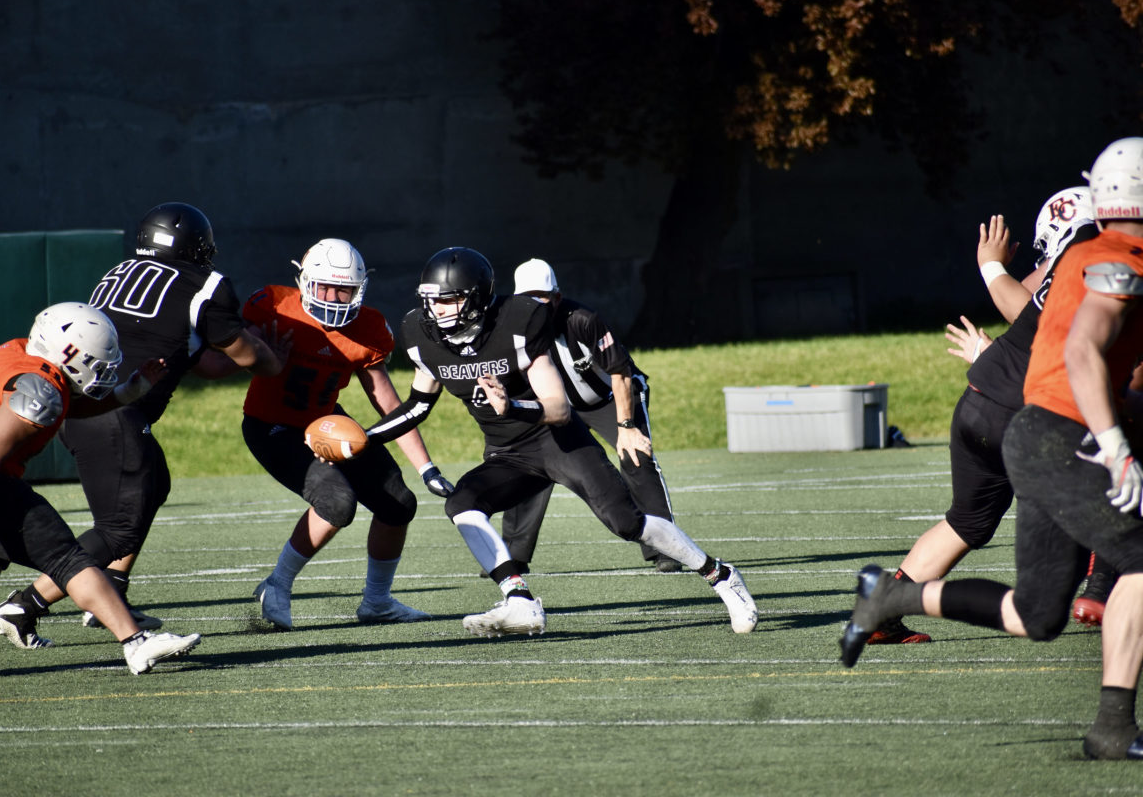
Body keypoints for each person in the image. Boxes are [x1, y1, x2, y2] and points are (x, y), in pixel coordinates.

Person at [839, 137, 1143, 761]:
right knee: (1139, 559)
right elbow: (1082, 349)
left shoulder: (1082, 253)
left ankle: (889, 596)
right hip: (1063, 437)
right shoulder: (1119, 261)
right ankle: (1113, 728)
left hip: (1037, 434)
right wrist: (1113, 444)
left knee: (1035, 615)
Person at [364, 247, 758, 637]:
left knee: (626, 523)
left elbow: (558, 409)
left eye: (450, 299)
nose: (439, 310)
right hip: (508, 454)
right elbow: (417, 405)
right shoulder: (421, 335)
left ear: (478, 297)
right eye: (433, 300)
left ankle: (721, 576)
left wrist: (512, 405)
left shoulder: (517, 322)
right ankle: (519, 600)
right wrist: (365, 440)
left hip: (557, 442)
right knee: (462, 504)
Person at [0, 202, 285, 650]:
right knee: (118, 528)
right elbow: (248, 355)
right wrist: (277, 359)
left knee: (155, 482)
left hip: (84, 407)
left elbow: (198, 359)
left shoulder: (120, 271)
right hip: (116, 415)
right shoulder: (205, 285)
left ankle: (112, 589)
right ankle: (25, 604)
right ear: (194, 248)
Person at [865, 187, 1096, 645]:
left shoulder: (1071, 261)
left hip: (979, 394)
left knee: (965, 523)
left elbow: (1025, 308)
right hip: (1028, 411)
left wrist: (992, 268)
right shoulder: (1108, 263)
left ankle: (880, 612)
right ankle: (1106, 592)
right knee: (1099, 494)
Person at [201, 238, 453, 629]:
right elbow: (215, 362)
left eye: (345, 290)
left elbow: (387, 403)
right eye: (326, 287)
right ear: (304, 281)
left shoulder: (368, 328)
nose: (335, 298)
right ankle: (278, 585)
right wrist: (259, 357)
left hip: (327, 423)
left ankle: (377, 602)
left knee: (398, 504)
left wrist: (426, 468)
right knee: (337, 503)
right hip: (272, 426)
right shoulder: (272, 306)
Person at [0, 302, 201, 676]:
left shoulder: (18, 354)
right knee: (68, 559)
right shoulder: (40, 386)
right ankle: (135, 642)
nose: (100, 373)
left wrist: (130, 391)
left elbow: (63, 406)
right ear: (68, 353)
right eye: (95, 363)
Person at [495, 258, 680, 573]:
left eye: (542, 298)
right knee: (533, 466)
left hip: (612, 397)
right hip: (562, 408)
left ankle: (667, 548)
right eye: (526, 299)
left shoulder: (583, 320)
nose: (535, 307)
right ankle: (513, 556)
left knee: (635, 456)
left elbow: (620, 373)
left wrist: (625, 426)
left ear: (556, 297)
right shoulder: (512, 330)